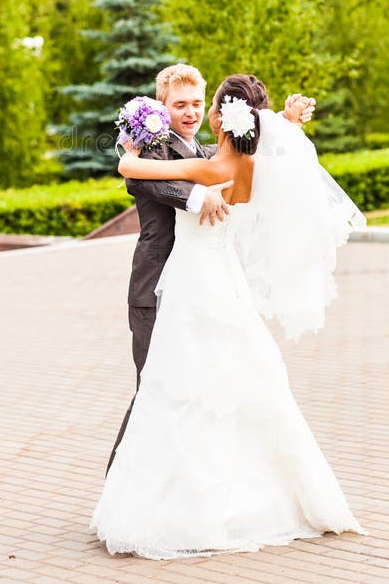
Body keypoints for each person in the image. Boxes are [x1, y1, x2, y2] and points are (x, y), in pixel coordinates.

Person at [91, 74, 365, 559]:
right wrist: (283, 122)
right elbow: (255, 152)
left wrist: (125, 152)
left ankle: (164, 501)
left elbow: (134, 172)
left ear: (218, 114)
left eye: (205, 104)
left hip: (193, 285)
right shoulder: (248, 163)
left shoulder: (208, 164)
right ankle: (261, 496)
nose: (199, 111)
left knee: (175, 388)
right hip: (221, 282)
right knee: (227, 388)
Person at [107, 64, 315, 473]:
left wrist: (281, 126)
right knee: (154, 386)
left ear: (212, 109)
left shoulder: (209, 152)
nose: (190, 112)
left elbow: (243, 158)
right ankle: (121, 480)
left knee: (195, 389)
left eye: (197, 103)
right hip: (155, 287)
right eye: (178, 105)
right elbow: (140, 182)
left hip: (201, 287)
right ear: (161, 107)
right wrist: (195, 199)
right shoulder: (154, 148)